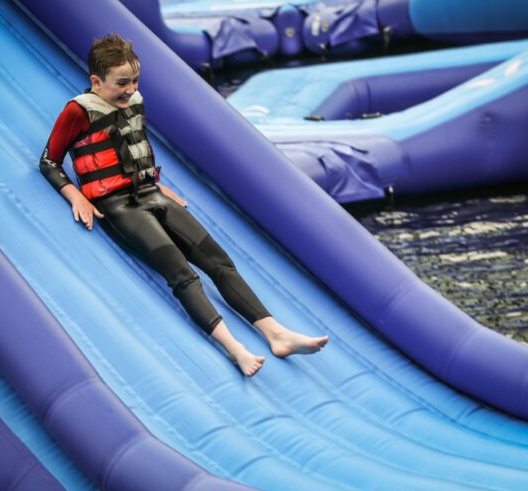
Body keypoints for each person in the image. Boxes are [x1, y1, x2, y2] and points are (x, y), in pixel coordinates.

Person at [39, 33, 328, 377]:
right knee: (181, 272)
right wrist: (75, 195)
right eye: (121, 83)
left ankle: (275, 333)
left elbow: (134, 148)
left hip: (150, 194)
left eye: (134, 80)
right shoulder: (77, 112)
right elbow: (49, 160)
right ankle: (234, 348)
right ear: (96, 82)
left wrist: (157, 184)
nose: (130, 89)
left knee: (219, 262)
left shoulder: (134, 101)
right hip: (118, 206)